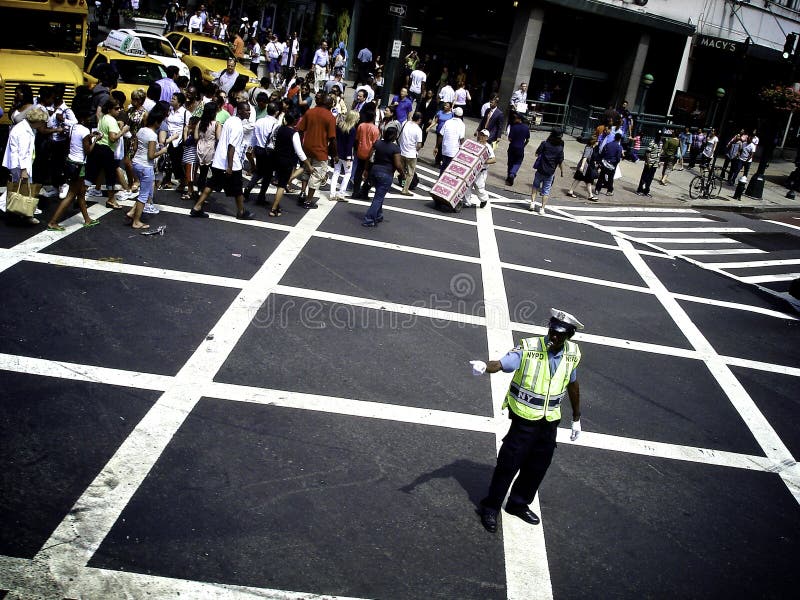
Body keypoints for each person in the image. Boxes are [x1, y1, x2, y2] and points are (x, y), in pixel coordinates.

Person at [471, 308, 584, 534]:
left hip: (550, 421)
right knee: (508, 464)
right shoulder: (530, 348)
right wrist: (486, 367)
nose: (553, 336)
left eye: (560, 334)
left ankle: (518, 503)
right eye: (552, 331)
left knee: (537, 467)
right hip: (524, 419)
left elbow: (572, 383)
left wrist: (576, 417)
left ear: (569, 335)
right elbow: (504, 363)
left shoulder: (573, 353)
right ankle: (490, 506)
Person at [190, 101, 255, 220]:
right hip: (230, 163)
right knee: (237, 188)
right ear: (240, 111)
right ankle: (241, 212)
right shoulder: (237, 126)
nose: (249, 113)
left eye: (249, 110)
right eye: (247, 110)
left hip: (219, 160)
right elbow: (231, 146)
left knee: (211, 184)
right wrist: (229, 166)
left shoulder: (230, 120)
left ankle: (197, 207)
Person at [47, 107, 102, 230]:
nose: (90, 119)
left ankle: (87, 219)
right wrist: (95, 140)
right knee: (72, 194)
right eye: (88, 117)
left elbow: (78, 141)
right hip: (79, 165)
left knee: (81, 193)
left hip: (71, 162)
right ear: (84, 118)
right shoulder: (85, 130)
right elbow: (88, 151)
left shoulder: (74, 127)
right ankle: (53, 222)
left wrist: (90, 137)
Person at [2, 106, 49, 225]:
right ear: (36, 121)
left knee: (17, 189)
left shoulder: (25, 127)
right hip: (20, 165)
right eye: (42, 122)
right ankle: (27, 214)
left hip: (19, 164)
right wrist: (24, 170)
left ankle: (20, 211)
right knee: (25, 190)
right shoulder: (23, 131)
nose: (42, 125)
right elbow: (22, 153)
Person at [128, 109, 171, 230]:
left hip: (136, 163)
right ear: (156, 122)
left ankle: (132, 213)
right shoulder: (152, 135)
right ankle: (136, 221)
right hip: (146, 166)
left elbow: (135, 147)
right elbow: (151, 155)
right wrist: (162, 151)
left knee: (144, 191)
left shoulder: (141, 130)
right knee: (144, 195)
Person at [297, 91, 337, 209]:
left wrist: (300, 146)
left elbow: (300, 130)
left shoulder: (309, 112)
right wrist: (335, 154)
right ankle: (308, 201)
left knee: (305, 171)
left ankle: (302, 192)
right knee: (316, 175)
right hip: (320, 150)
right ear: (329, 104)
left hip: (306, 148)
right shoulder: (330, 116)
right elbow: (332, 138)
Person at [268, 110, 312, 218]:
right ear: (296, 121)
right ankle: (274, 208)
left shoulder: (279, 128)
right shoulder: (294, 133)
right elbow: (299, 151)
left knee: (281, 183)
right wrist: (309, 164)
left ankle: (277, 207)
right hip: (287, 161)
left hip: (276, 158)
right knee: (281, 186)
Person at [361, 124, 403, 228]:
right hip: (386, 174)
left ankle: (378, 215)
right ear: (395, 136)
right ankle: (369, 219)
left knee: (380, 195)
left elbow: (369, 157)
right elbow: (398, 164)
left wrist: (366, 170)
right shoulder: (395, 148)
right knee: (378, 197)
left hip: (374, 171)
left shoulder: (377, 143)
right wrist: (403, 174)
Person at [529, 128, 564, 214]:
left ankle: (532, 204)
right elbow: (560, 162)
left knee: (535, 186)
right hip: (550, 172)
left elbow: (536, 154)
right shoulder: (560, 148)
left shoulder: (545, 144)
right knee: (546, 191)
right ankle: (542, 208)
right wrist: (562, 171)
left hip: (540, 169)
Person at [330, 109, 359, 201]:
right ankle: (341, 193)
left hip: (337, 153)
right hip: (346, 154)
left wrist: (335, 153)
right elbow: (349, 145)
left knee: (336, 172)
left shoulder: (339, 125)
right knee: (348, 173)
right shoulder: (352, 129)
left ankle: (332, 194)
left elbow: (335, 140)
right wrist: (349, 158)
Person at [463, 129, 495, 209]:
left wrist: (483, 162)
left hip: (481, 171)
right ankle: (467, 202)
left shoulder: (488, 147)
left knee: (479, 188)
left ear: (487, 138)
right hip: (472, 169)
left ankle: (484, 199)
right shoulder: (475, 144)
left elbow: (493, 159)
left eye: (483, 135)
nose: (481, 136)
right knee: (467, 185)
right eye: (480, 134)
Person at [566, 136, 599, 201]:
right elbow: (585, 157)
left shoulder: (592, 148)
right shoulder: (589, 148)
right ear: (594, 142)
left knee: (579, 179)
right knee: (588, 181)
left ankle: (571, 191)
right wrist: (582, 166)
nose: (598, 142)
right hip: (586, 167)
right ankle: (590, 195)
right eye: (597, 141)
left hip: (587, 167)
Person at [398, 111, 423, 196]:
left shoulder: (406, 123)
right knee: (410, 173)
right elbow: (419, 145)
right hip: (411, 154)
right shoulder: (418, 130)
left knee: (401, 170)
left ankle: (402, 182)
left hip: (402, 151)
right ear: (419, 120)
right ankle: (405, 189)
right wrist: (416, 150)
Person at [595, 132, 623, 197]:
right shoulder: (619, 147)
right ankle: (609, 191)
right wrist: (616, 163)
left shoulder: (608, 144)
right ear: (619, 139)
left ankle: (597, 189)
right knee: (610, 178)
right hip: (612, 164)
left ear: (614, 137)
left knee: (601, 177)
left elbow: (602, 153)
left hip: (605, 162)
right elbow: (618, 158)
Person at [505, 110, 529, 186]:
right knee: (518, 162)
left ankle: (509, 176)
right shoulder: (526, 128)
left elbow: (509, 139)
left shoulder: (514, 127)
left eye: (515, 118)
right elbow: (527, 139)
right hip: (520, 148)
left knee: (510, 162)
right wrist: (523, 145)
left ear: (519, 119)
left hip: (512, 147)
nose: (514, 119)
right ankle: (512, 174)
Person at [439, 106, 465, 174]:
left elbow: (441, 135)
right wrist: (463, 149)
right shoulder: (462, 125)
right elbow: (461, 138)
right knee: (450, 169)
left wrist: (437, 146)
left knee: (443, 166)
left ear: (454, 114)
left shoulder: (448, 122)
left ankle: (440, 180)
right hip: (454, 151)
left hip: (445, 149)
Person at [636, 133, 662, 198]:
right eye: (658, 136)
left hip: (655, 164)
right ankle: (639, 190)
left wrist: (658, 162)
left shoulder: (661, 144)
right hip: (649, 163)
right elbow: (647, 153)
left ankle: (646, 190)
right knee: (644, 177)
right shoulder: (652, 143)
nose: (659, 137)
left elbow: (659, 153)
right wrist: (648, 162)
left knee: (650, 178)